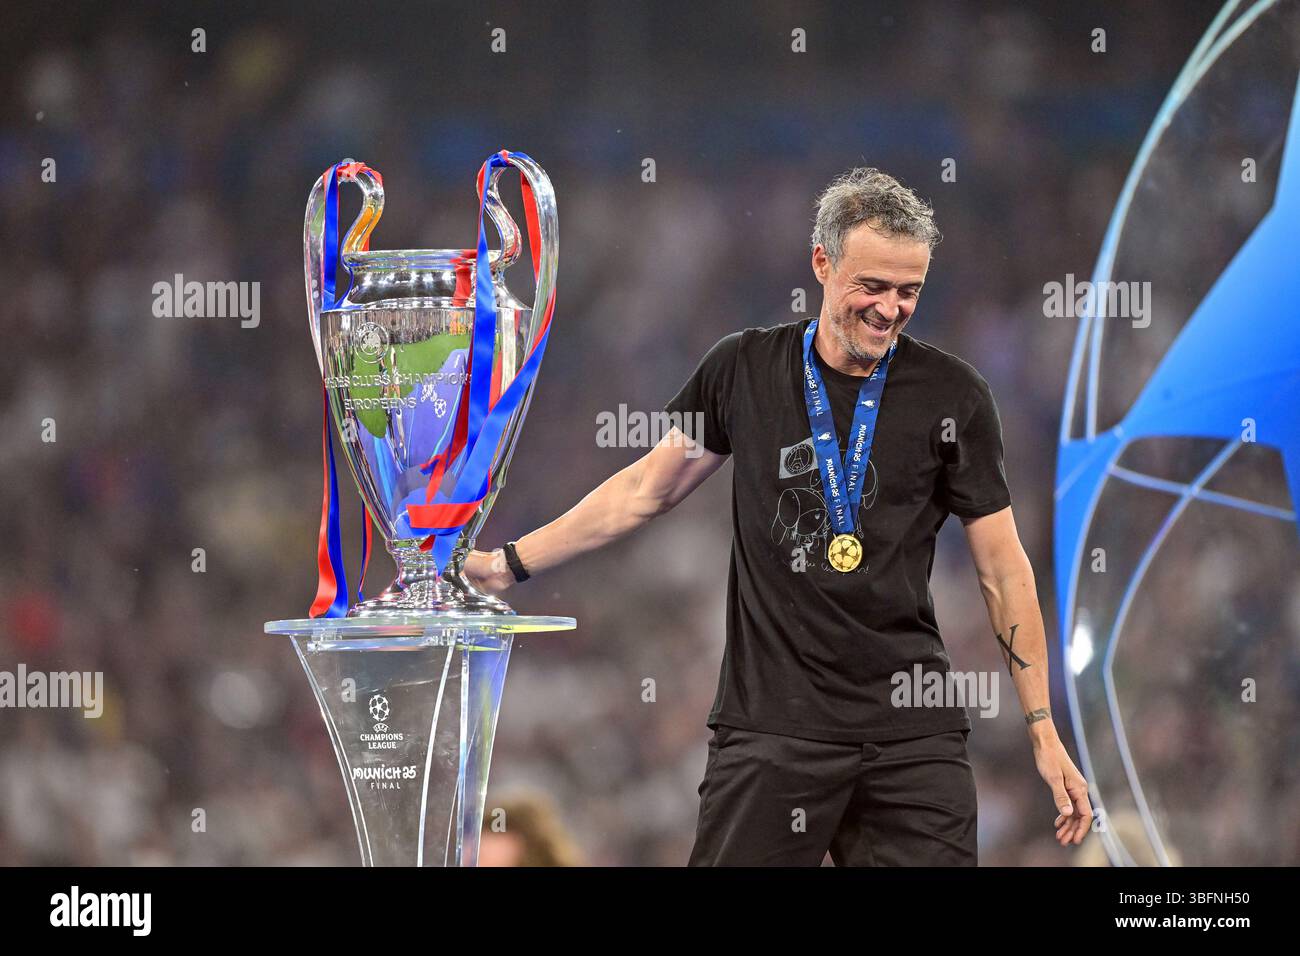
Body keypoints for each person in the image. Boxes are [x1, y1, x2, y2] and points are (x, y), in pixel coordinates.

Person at [464, 166, 1092, 865]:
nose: (889, 310)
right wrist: (508, 563)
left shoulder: (954, 395)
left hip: (911, 737)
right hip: (772, 731)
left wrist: (1041, 725)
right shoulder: (744, 370)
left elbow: (1003, 568)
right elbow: (646, 489)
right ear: (822, 263)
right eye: (872, 287)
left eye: (908, 292)